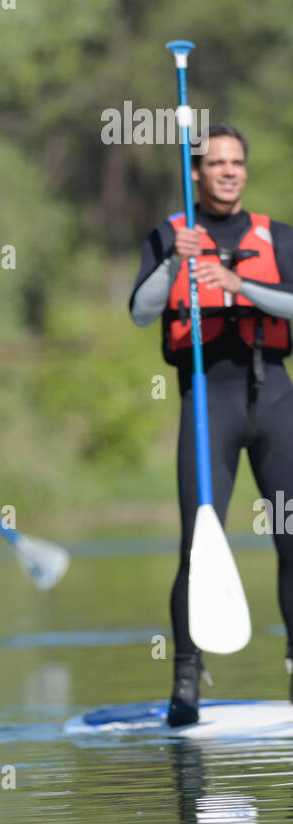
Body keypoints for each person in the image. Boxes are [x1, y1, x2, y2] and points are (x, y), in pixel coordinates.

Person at [130, 125, 293, 725]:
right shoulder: (170, 236)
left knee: (292, 542)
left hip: (276, 400)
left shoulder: (275, 234)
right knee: (198, 546)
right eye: (216, 163)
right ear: (195, 171)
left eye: (237, 162)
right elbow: (141, 313)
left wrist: (237, 284)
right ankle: (187, 680)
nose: (229, 172)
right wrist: (177, 258)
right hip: (208, 400)